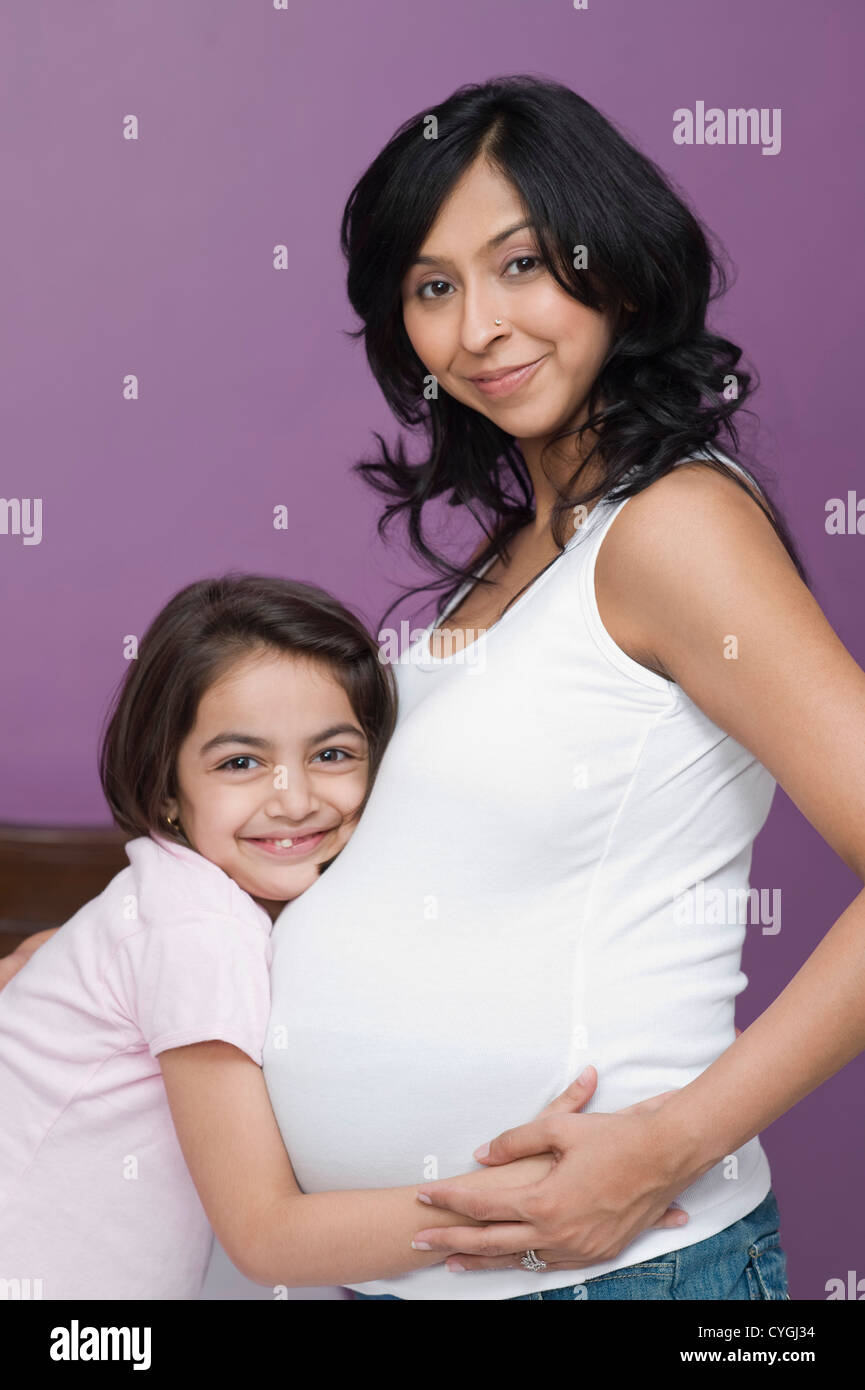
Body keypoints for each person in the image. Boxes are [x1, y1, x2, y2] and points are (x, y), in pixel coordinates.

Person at [254, 75, 865, 1301]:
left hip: (618, 1277)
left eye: (520, 263)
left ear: (619, 270)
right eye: (433, 287)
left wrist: (668, 1144)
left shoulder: (673, 528)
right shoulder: (514, 555)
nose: (477, 327)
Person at [0, 572, 614, 1299]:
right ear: (167, 790)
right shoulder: (199, 926)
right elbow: (267, 1239)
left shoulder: (187, 899)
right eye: (240, 763)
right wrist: (525, 1201)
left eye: (331, 754)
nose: (293, 800)